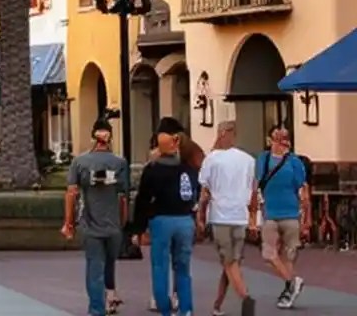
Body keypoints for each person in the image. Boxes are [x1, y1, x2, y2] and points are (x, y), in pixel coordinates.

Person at [132, 123, 200, 316]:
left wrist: (138, 227)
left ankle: (164, 310)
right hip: (185, 220)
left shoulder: (153, 170)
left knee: (160, 267)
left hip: (161, 220)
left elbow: (142, 200)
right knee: (183, 268)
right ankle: (186, 309)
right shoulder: (189, 168)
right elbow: (195, 192)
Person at [64, 119, 129, 316]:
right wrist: (122, 223)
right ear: (110, 138)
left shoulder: (79, 162)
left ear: (93, 137)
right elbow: (123, 197)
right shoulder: (119, 163)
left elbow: (71, 194)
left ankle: (96, 310)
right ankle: (110, 296)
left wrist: (68, 222)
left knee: (94, 268)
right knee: (110, 263)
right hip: (113, 226)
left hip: (90, 224)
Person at [196, 120, 257, 316]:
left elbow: (204, 192)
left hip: (221, 216)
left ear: (221, 133)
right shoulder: (248, 160)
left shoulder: (212, 159)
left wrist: (200, 216)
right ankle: (218, 304)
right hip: (240, 216)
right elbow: (254, 192)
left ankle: (245, 297)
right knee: (232, 263)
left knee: (228, 261)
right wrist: (254, 220)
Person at [256, 125, 309, 309]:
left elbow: (303, 189)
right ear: (270, 139)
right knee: (269, 253)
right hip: (271, 213)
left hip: (291, 214)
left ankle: (288, 292)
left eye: (284, 136)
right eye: (277, 136)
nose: (281, 140)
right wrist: (252, 213)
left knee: (289, 255)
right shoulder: (263, 159)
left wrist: (306, 218)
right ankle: (292, 282)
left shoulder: (295, 162)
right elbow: (255, 185)